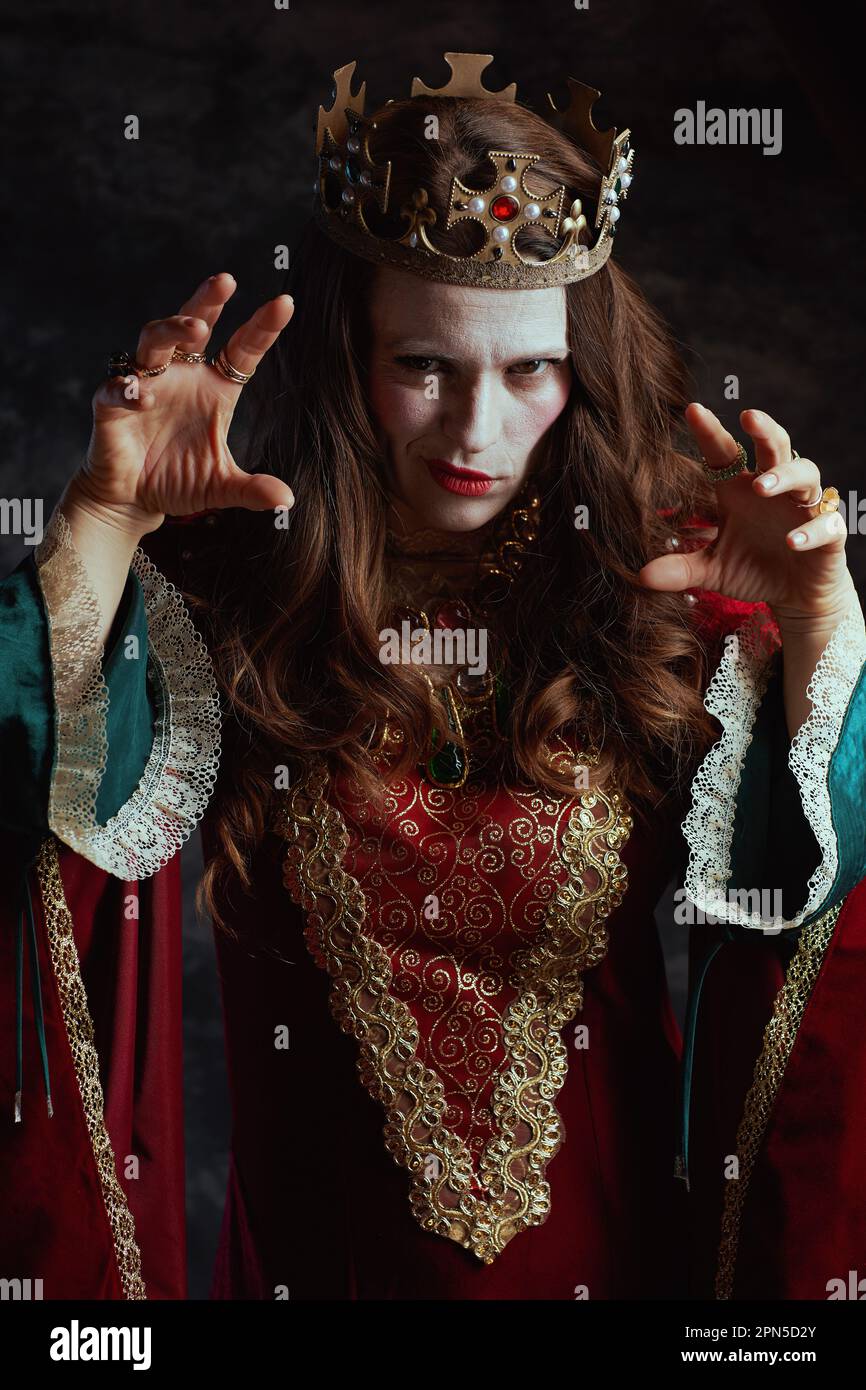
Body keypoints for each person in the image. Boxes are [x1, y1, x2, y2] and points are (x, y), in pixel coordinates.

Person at [2, 52, 865, 1302]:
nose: (476, 432)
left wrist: (817, 620)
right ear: (351, 356)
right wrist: (100, 521)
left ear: (583, 365)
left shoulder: (656, 594)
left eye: (528, 369)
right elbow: (36, 787)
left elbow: (813, 906)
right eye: (424, 366)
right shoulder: (228, 593)